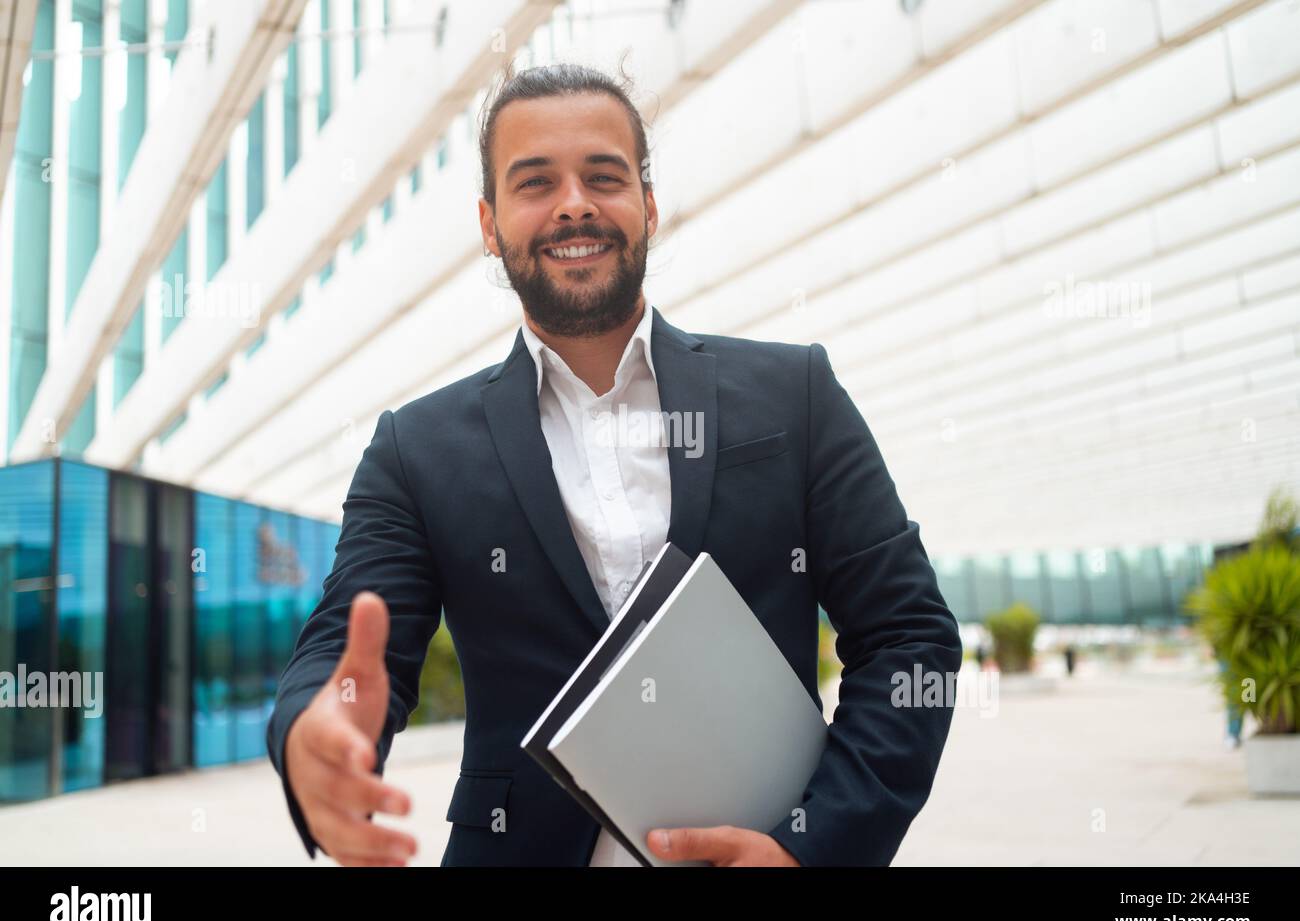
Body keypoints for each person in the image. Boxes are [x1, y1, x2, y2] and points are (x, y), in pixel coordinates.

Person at [266, 62, 963, 867]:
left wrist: (815, 847)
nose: (573, 204)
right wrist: (316, 726)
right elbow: (346, 646)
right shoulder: (414, 449)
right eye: (535, 183)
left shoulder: (792, 395)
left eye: (604, 176)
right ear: (489, 225)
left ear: (648, 205)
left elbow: (911, 639)